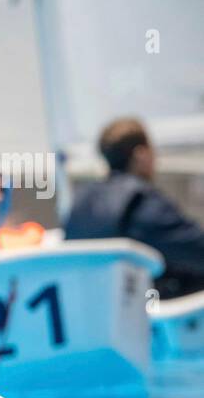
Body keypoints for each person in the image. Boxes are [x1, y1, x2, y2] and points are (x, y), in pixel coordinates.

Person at [65, 117, 204, 299]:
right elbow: (198, 248)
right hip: (153, 314)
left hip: (93, 309)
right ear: (141, 154)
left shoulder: (81, 201)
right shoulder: (142, 203)